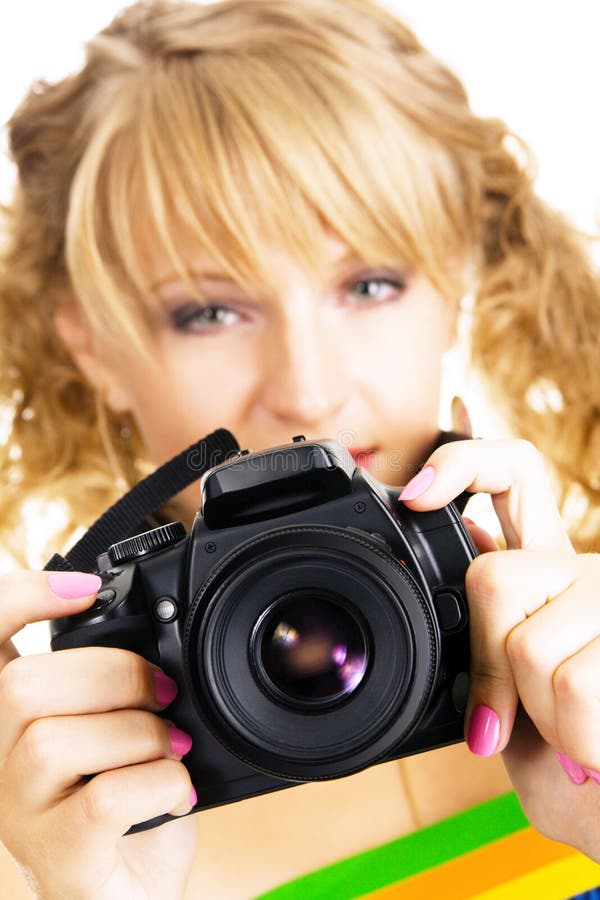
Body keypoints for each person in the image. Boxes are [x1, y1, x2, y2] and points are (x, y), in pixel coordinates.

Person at [0, 1, 599, 897]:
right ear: (96, 348)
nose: (311, 390)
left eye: (369, 284)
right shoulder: (45, 818)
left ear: (456, 289)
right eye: (210, 310)